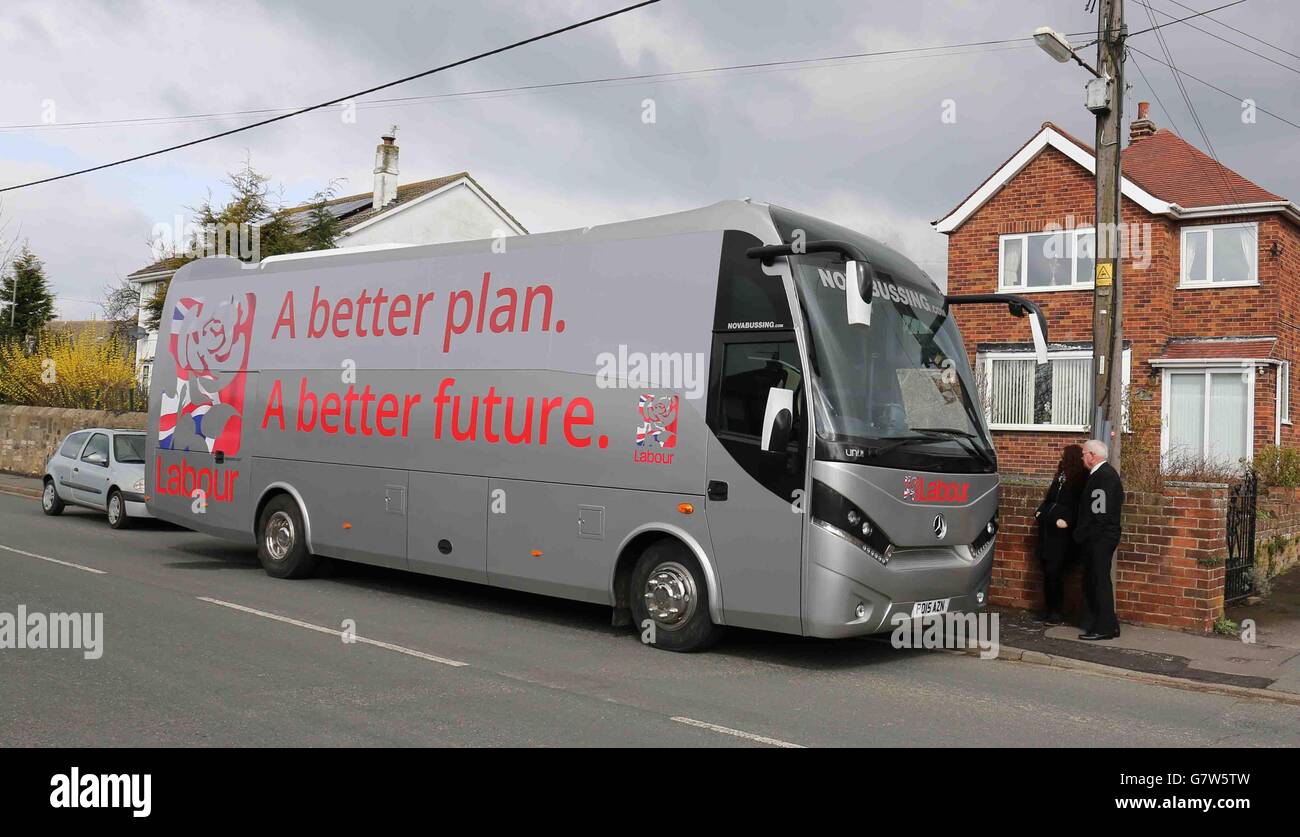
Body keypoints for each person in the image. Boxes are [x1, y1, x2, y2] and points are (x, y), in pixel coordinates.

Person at [1073, 439, 1124, 640]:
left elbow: (1098, 513)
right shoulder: (1105, 475)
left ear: (1092, 456)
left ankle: (1103, 628)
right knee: (1100, 580)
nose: (1082, 457)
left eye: (1083, 453)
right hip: (1103, 536)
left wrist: (1083, 535)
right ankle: (1110, 625)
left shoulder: (1101, 477)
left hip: (1099, 538)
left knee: (1098, 581)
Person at [1034, 444, 1086, 625]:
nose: (1062, 459)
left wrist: (1068, 521)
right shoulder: (1060, 478)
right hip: (1048, 530)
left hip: (1062, 536)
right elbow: (1049, 499)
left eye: (1065, 456)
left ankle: (1056, 611)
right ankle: (1049, 609)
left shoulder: (1080, 479)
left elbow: (1079, 506)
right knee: (1047, 571)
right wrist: (1040, 512)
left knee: (1054, 572)